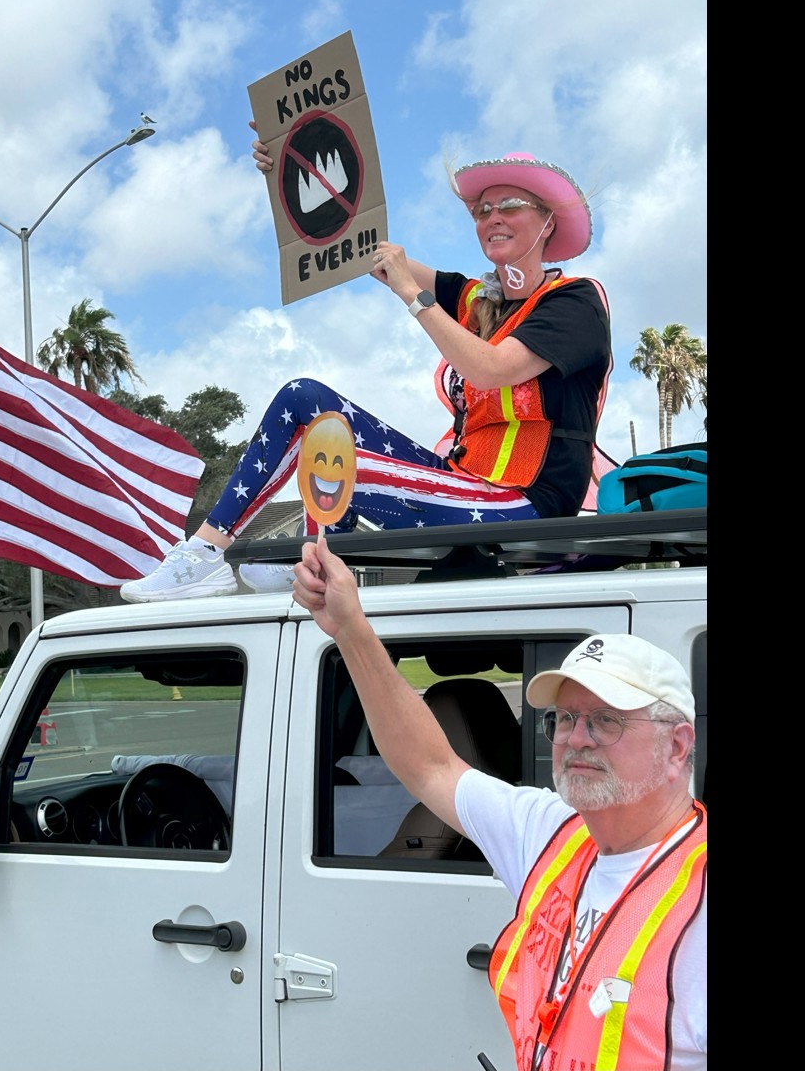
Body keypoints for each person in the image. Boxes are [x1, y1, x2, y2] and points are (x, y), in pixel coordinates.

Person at [118, 137, 613, 604]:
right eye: (483, 209)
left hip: (523, 503)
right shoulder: (474, 297)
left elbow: (489, 369)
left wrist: (411, 294)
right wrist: (291, 164)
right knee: (302, 397)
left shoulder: (575, 301)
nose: (492, 218)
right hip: (460, 480)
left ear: (547, 221)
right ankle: (205, 552)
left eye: (510, 206)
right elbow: (361, 245)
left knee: (340, 463)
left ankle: (317, 546)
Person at [292, 531, 706, 1071]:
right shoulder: (552, 836)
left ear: (676, 747)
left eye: (606, 720)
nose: (577, 737)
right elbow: (430, 766)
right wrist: (350, 629)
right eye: (565, 718)